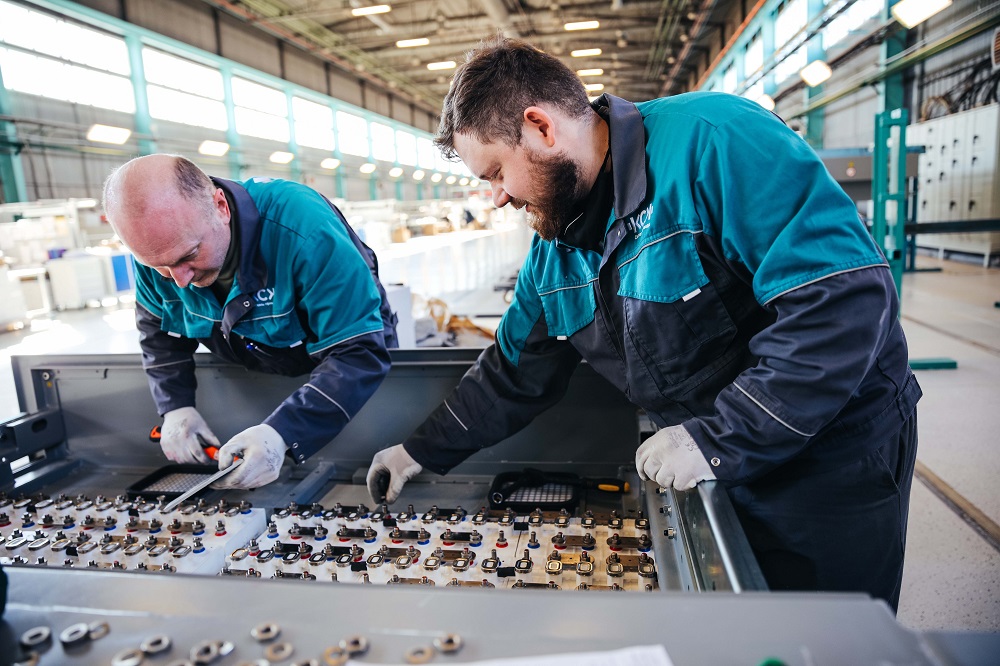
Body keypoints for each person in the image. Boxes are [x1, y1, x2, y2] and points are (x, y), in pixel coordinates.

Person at [367, 36, 920, 610]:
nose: (497, 198)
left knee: (825, 640)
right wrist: (417, 452)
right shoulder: (555, 251)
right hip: (707, 459)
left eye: (496, 172)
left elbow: (840, 302)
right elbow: (511, 373)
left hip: (828, 458)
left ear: (541, 127)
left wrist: (719, 439)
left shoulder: (716, 142)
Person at [103, 154, 397, 489]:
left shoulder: (304, 229)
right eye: (160, 267)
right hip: (251, 357)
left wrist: (282, 432)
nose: (179, 279)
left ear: (220, 207)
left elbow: (358, 353)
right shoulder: (159, 249)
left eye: (188, 256)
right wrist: (175, 405)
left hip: (341, 364)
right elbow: (158, 334)